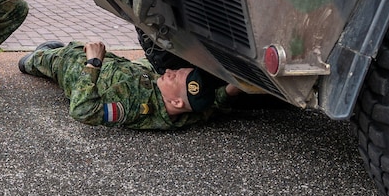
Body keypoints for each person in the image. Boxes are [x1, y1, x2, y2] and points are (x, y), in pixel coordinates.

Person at [18, 40, 239, 130]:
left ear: (176, 101)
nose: (169, 72)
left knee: (32, 61)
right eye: (175, 71)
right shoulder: (185, 110)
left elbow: (82, 110)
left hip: (73, 67)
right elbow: (211, 105)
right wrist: (235, 87)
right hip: (118, 64)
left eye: (174, 77)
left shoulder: (135, 106)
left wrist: (93, 62)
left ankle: (42, 55)